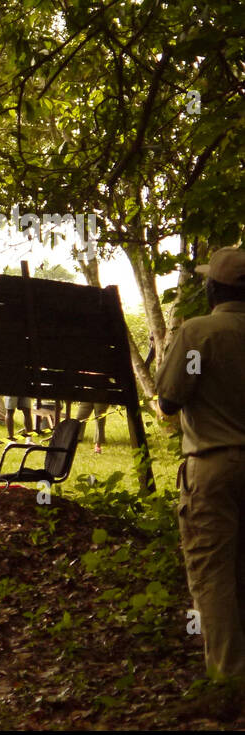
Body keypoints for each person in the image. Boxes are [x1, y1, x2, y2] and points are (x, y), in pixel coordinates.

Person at [154, 246, 245, 689]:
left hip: (214, 465)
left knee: (213, 575)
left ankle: (228, 681)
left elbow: (170, 398)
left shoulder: (198, 333)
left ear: (212, 288)